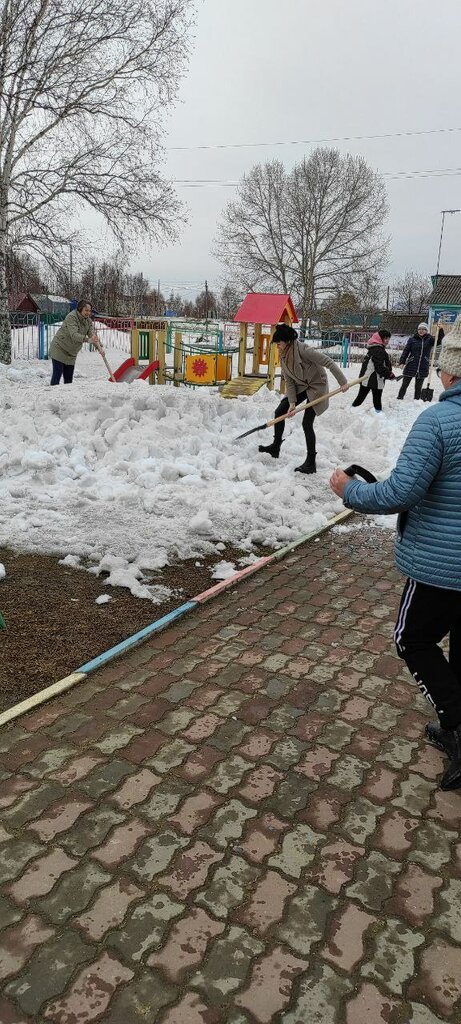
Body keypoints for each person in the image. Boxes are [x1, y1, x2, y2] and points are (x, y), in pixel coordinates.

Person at [329, 323, 461, 790]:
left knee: (413, 640)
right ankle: (453, 728)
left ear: (449, 370)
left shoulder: (440, 422)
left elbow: (403, 491)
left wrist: (351, 490)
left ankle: (457, 727)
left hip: (443, 566)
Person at [258, 323, 349, 473]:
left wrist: (343, 382)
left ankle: (311, 462)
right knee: (280, 411)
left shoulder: (304, 350)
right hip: (302, 385)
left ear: (287, 341)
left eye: (279, 343)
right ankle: (275, 446)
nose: (277, 347)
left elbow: (329, 362)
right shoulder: (283, 356)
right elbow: (289, 381)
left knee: (307, 423)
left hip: (316, 385)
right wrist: (292, 402)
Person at [48, 300, 104, 385]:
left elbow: (92, 334)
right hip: (59, 348)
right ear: (80, 309)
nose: (88, 313)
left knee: (69, 380)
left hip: (71, 353)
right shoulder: (71, 317)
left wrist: (99, 347)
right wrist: (88, 340)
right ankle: (52, 396)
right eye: (86, 310)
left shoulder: (88, 321)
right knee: (57, 377)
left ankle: (67, 398)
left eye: (89, 311)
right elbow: (74, 335)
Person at [352, 329, 395, 412]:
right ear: (379, 339)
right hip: (374, 379)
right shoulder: (379, 350)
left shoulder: (374, 348)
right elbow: (379, 367)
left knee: (361, 397)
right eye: (385, 338)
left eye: (388, 338)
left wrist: (388, 373)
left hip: (366, 378)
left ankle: (352, 409)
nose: (387, 341)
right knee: (377, 398)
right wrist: (389, 374)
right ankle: (378, 414)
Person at [397, 322, 434, 400]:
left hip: (423, 365)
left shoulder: (430, 339)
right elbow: (406, 351)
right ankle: (400, 397)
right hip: (411, 364)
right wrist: (402, 362)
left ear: (426, 330)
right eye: (419, 329)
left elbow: (440, 340)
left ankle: (417, 400)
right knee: (404, 384)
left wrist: (440, 330)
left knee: (418, 386)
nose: (421, 331)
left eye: (423, 329)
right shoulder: (412, 339)